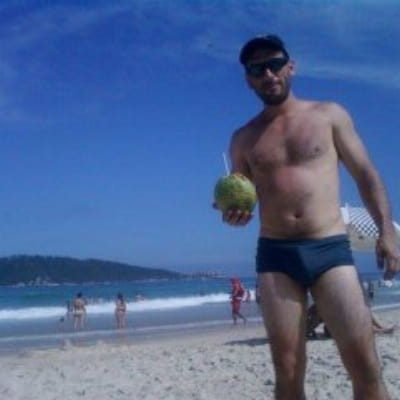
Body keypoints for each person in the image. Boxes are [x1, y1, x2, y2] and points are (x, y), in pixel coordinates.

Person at [215, 34, 400, 399]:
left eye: (275, 64)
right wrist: (234, 215)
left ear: (291, 67)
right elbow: (242, 197)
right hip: (276, 256)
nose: (268, 74)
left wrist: (386, 231)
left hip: (329, 248)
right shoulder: (243, 139)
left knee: (364, 364)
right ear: (248, 79)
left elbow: (365, 173)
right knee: (287, 369)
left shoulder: (329, 115)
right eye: (257, 69)